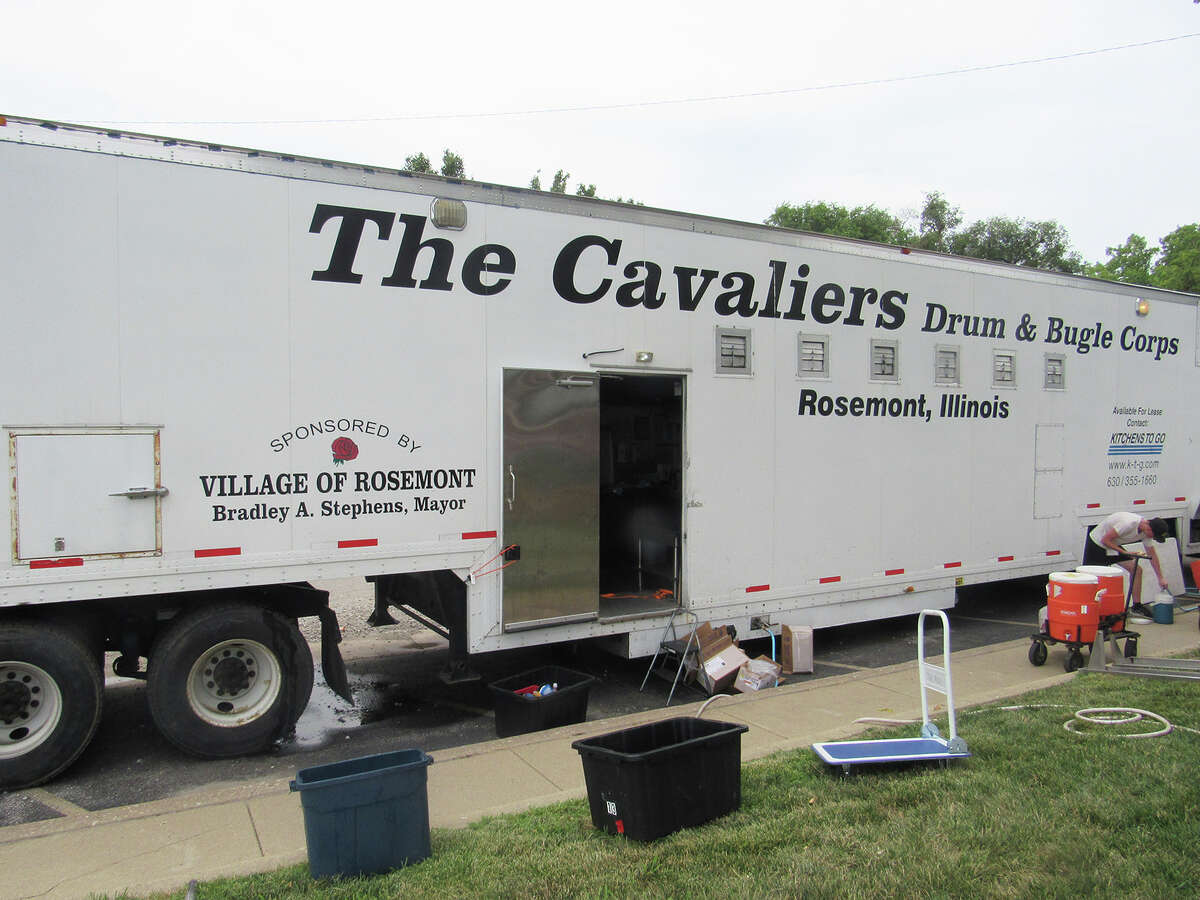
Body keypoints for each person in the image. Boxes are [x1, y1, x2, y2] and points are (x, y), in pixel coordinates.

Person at [1082, 512, 1170, 617]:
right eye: (1154, 536)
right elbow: (1105, 540)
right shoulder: (1128, 523)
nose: (1153, 538)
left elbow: (1152, 555)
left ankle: (1137, 606)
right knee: (1093, 578)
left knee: (1136, 570)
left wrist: (1160, 578)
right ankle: (1087, 607)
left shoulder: (1147, 533)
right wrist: (1125, 552)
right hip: (1097, 543)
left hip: (1112, 545)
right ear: (1149, 528)